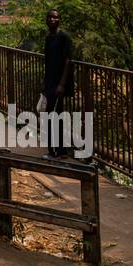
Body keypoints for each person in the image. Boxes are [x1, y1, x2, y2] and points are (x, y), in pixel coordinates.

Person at [43, 9, 74, 157]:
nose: (52, 20)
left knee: (53, 116)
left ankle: (56, 150)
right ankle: (58, 149)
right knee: (52, 115)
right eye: (50, 17)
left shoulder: (64, 37)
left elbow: (68, 60)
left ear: (60, 19)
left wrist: (62, 84)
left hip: (58, 84)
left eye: (55, 17)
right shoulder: (49, 37)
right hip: (49, 82)